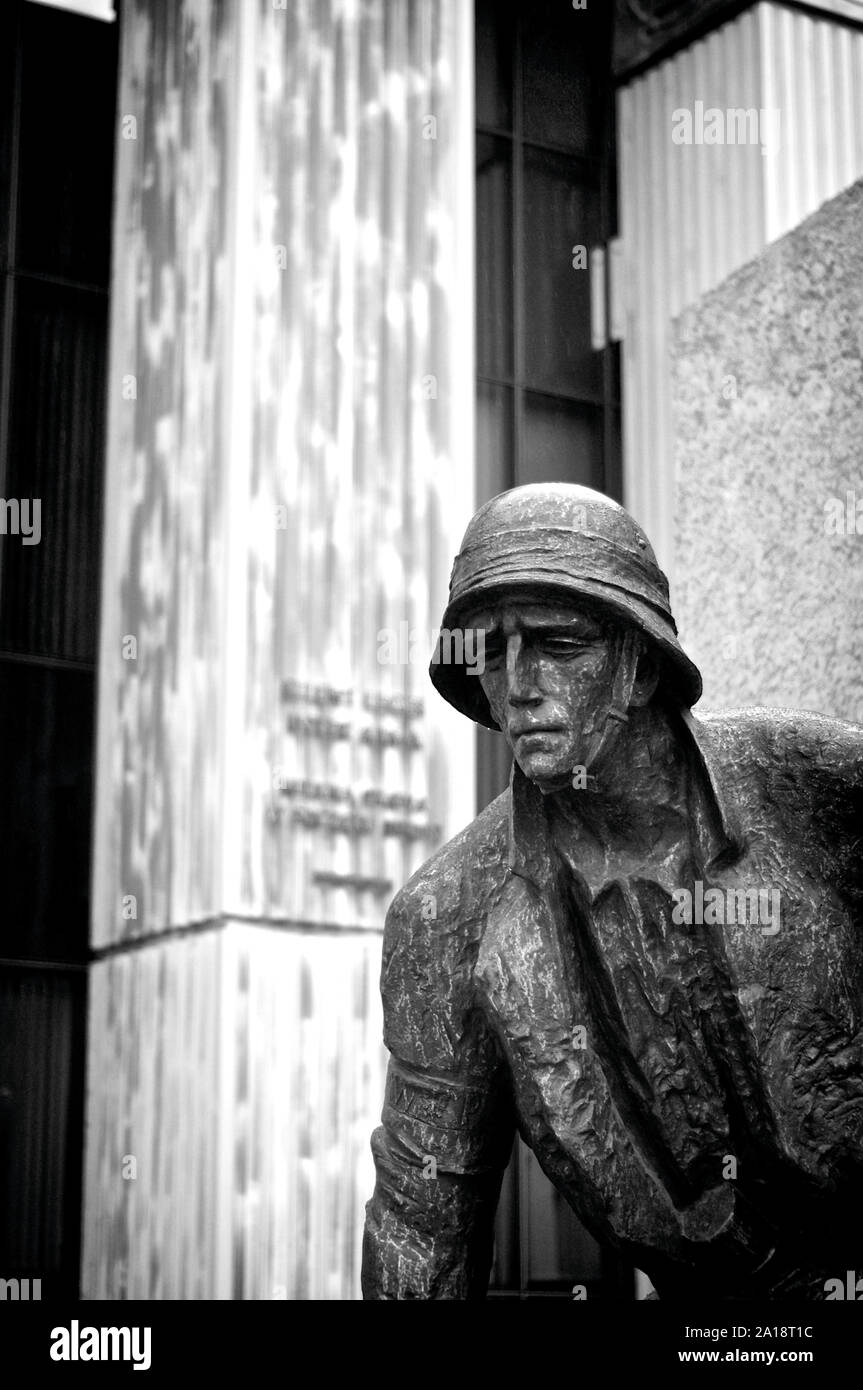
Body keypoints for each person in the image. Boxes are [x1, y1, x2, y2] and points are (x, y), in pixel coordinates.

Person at [361, 483, 863, 1300]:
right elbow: (421, 1218)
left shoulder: (822, 788)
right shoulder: (444, 919)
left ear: (635, 664)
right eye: (491, 653)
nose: (517, 683)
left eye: (556, 644)